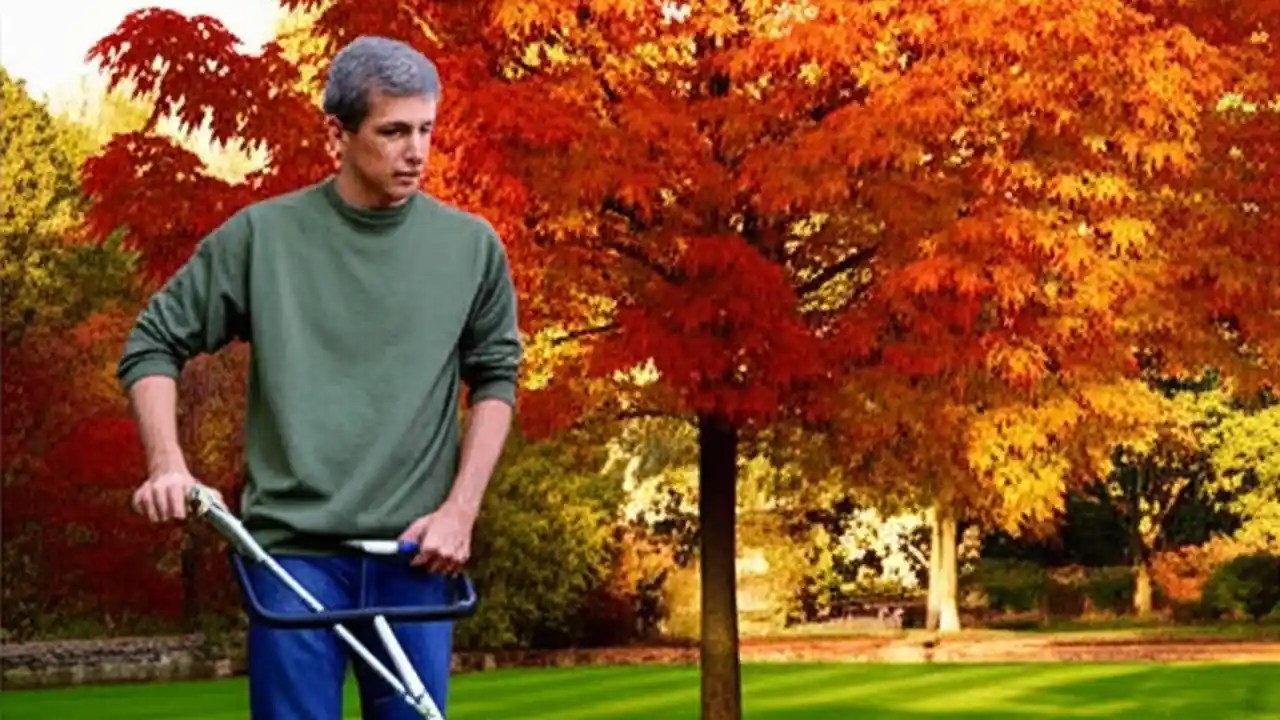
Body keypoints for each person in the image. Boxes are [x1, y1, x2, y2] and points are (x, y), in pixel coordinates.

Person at [118, 35, 523, 719]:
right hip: (291, 558)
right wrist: (168, 464)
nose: (416, 151)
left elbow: (496, 379)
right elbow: (152, 342)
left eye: (425, 129)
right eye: (393, 131)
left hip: (415, 558)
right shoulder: (262, 239)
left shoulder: (471, 248)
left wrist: (461, 511)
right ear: (335, 132)